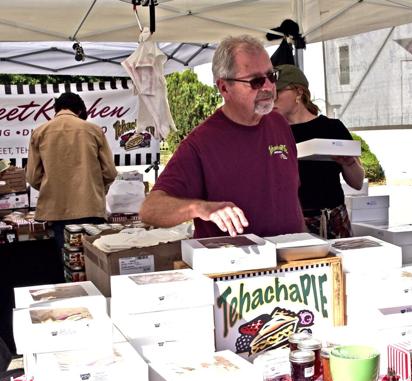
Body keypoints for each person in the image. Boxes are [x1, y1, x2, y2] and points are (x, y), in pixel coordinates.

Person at [139, 35, 304, 238]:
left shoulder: (279, 123)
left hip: (291, 261)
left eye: (271, 76)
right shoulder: (200, 143)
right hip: (235, 264)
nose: (268, 87)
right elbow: (150, 209)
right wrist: (199, 208)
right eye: (256, 81)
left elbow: (291, 199)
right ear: (224, 87)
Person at [273, 64, 364, 239]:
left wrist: (349, 162)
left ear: (298, 92)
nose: (271, 100)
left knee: (341, 267)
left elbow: (357, 182)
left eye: (276, 94)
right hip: (293, 222)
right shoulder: (272, 133)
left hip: (334, 218)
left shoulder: (332, 128)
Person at [26, 92, 117, 251]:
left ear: (56, 109)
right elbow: (109, 172)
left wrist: (51, 186)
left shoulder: (39, 132)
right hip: (91, 207)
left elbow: (32, 177)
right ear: (80, 111)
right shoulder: (94, 130)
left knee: (69, 261)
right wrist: (96, 188)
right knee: (94, 259)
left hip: (57, 209)